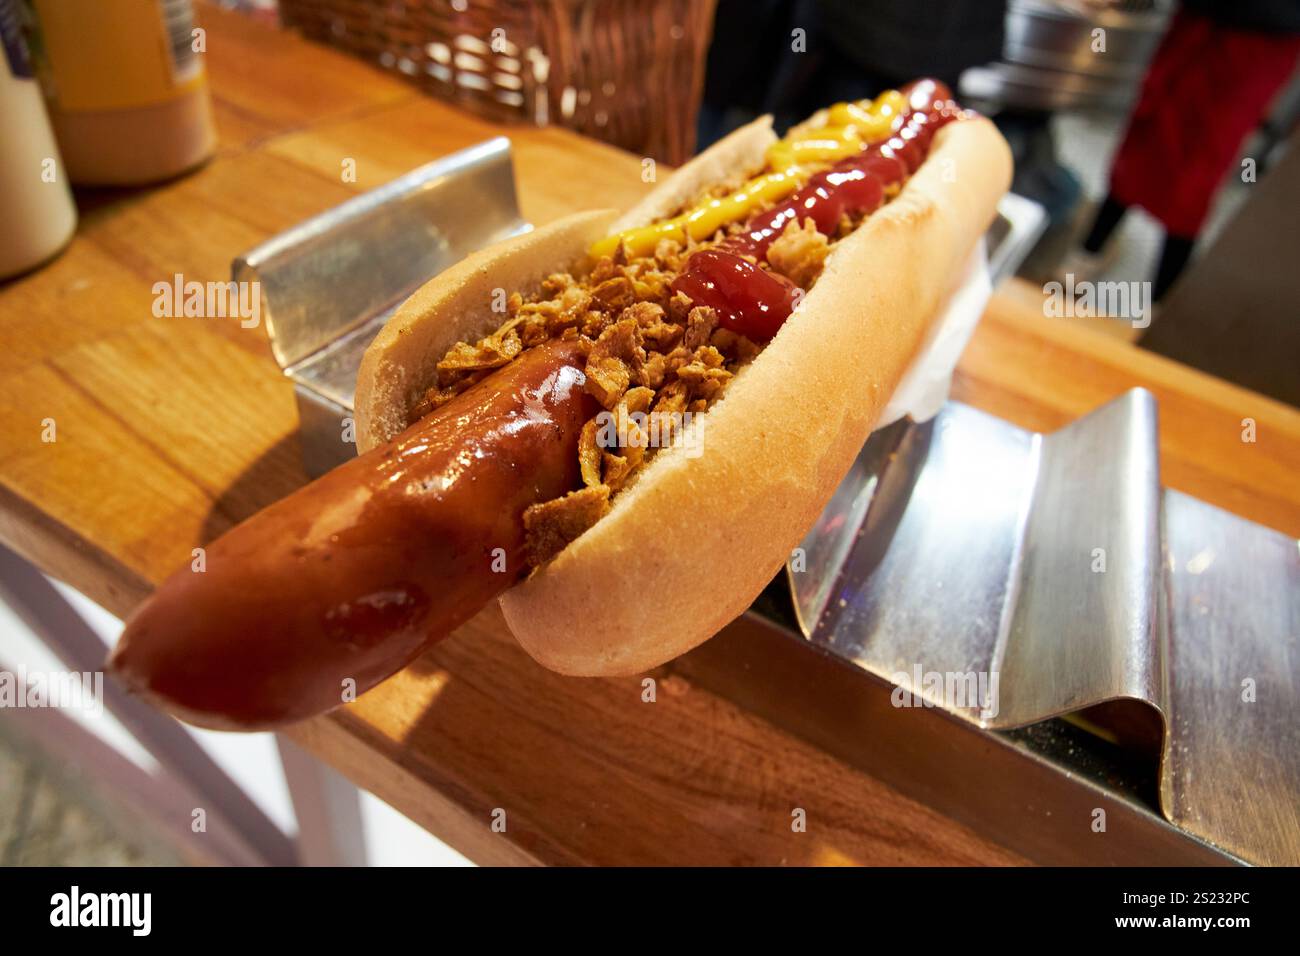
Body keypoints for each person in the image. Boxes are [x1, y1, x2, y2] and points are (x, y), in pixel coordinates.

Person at [1069, 0, 1300, 304]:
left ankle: (1162, 302)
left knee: (1200, 166)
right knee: (1145, 137)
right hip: (1197, 22)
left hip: (1259, 41)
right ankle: (1087, 254)